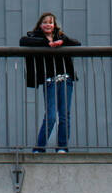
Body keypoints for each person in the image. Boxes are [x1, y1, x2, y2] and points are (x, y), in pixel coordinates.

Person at [20, 12, 80, 153]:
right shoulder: (36, 37)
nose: (48, 25)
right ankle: (40, 147)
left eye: (51, 22)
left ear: (54, 25)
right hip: (49, 80)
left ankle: (62, 147)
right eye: (45, 22)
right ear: (40, 25)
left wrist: (62, 42)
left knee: (65, 114)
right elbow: (23, 41)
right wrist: (46, 43)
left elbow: (77, 42)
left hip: (65, 79)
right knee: (51, 115)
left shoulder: (61, 37)